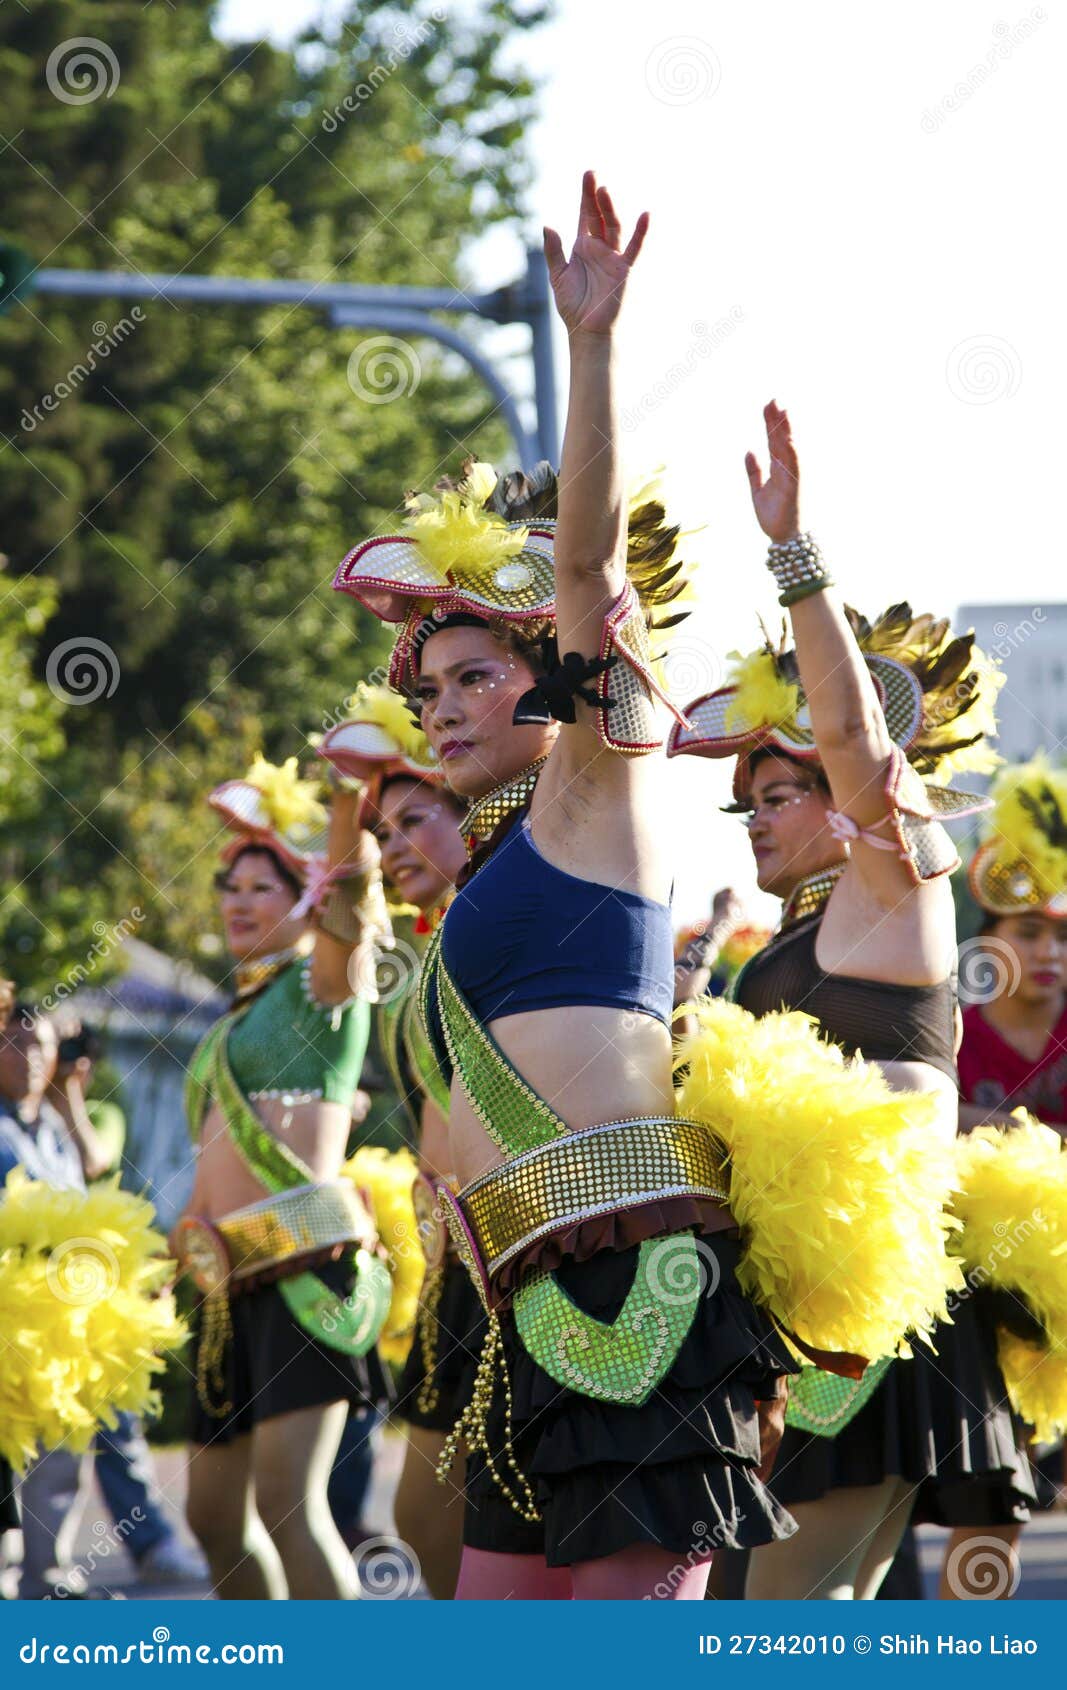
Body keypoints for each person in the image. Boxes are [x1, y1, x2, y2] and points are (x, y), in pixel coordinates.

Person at [332, 173, 799, 1601]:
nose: (443, 707)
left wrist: (587, 347)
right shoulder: (475, 879)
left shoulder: (598, 796)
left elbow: (587, 564)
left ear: (559, 682)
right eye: (429, 686)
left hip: (635, 1288)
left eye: (477, 675)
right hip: (515, 1302)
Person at [670, 400, 1034, 1599]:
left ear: (841, 799)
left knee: (775, 1627)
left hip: (856, 1312)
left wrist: (792, 558)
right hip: (790, 1304)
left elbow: (855, 742)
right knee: (799, 1627)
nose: (755, 818)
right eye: (746, 801)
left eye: (779, 794)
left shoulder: (892, 894)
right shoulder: (800, 933)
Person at [176, 754, 393, 1599]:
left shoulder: (322, 989)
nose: (235, 901)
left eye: (259, 886)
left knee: (286, 1505)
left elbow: (348, 903)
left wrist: (346, 794)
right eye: (227, 887)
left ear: (302, 897)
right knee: (210, 1516)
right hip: (226, 1286)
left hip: (306, 1274)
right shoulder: (233, 1016)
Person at [319, 685, 473, 1597]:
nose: (391, 846)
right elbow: (344, 906)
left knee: (446, 1514)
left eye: (416, 819)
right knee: (428, 1518)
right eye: (385, 831)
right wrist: (352, 792)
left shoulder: (507, 919)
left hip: (511, 1256)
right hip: (452, 1266)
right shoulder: (428, 952)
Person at [958, 757, 1067, 1133]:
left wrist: (987, 1127)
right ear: (989, 941)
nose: (1049, 953)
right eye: (1029, 933)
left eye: (1064, 938)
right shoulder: (952, 1040)